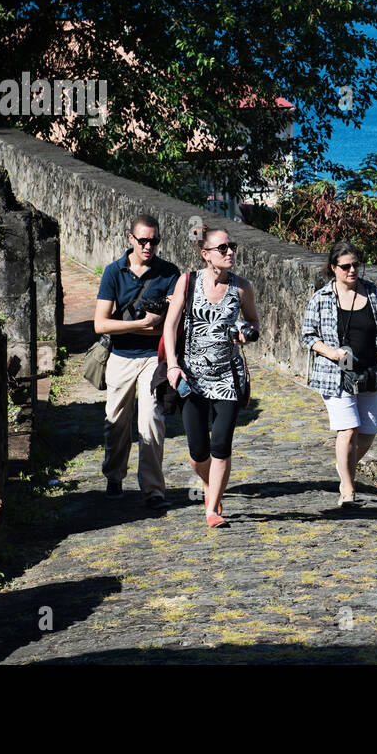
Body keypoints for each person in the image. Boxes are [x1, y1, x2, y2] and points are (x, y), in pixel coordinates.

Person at [163, 227, 260, 528]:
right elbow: (170, 326)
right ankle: (211, 487)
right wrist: (172, 365)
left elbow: (254, 323)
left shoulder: (242, 288)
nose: (230, 252)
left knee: (220, 445)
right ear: (205, 254)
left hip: (229, 378)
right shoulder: (187, 282)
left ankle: (213, 507)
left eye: (231, 247)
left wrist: (248, 333)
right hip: (191, 377)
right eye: (222, 248)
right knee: (197, 452)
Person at [302, 242, 377, 507]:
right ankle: (348, 491)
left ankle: (344, 467)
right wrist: (330, 352)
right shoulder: (322, 297)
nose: (352, 270)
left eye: (355, 265)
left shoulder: (372, 292)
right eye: (345, 266)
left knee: (369, 431)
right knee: (348, 429)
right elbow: (308, 335)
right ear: (333, 268)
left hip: (370, 371)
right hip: (336, 374)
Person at [94, 214, 181, 509]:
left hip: (153, 358)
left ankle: (153, 490)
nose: (148, 246)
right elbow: (101, 325)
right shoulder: (113, 272)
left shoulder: (169, 272)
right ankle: (114, 475)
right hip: (120, 356)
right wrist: (140, 325)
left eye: (153, 240)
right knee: (116, 421)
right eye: (142, 240)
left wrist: (154, 326)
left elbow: (175, 321)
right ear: (130, 239)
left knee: (151, 420)